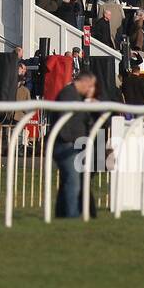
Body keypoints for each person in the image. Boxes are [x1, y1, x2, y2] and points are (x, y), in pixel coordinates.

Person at [52, 71, 98, 219]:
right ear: (84, 82)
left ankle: (62, 214)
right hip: (66, 144)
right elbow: (78, 119)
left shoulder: (74, 95)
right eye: (90, 86)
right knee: (73, 181)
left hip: (70, 143)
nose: (91, 89)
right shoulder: (69, 94)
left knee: (69, 180)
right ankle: (71, 216)